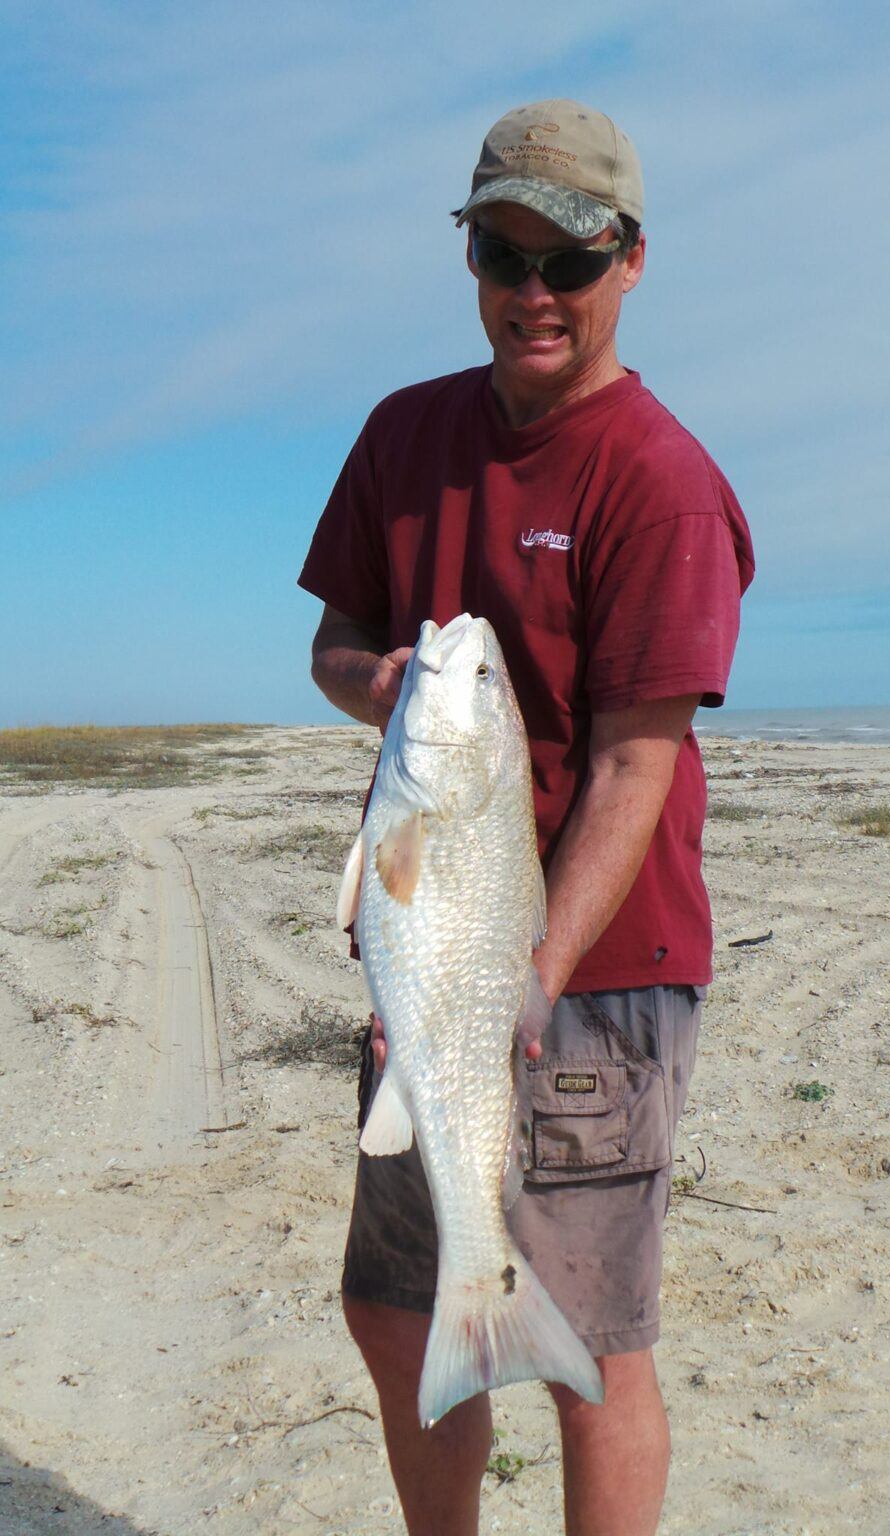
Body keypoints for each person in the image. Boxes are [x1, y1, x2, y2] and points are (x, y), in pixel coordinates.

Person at [299, 98, 754, 1536]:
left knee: (591, 1356)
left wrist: (527, 975)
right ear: (474, 258)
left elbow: (633, 767)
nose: (533, 295)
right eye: (504, 256)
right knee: (394, 1310)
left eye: (569, 261)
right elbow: (336, 644)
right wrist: (386, 685)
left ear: (630, 261)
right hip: (436, 958)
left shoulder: (661, 484)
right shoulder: (404, 433)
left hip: (595, 979)